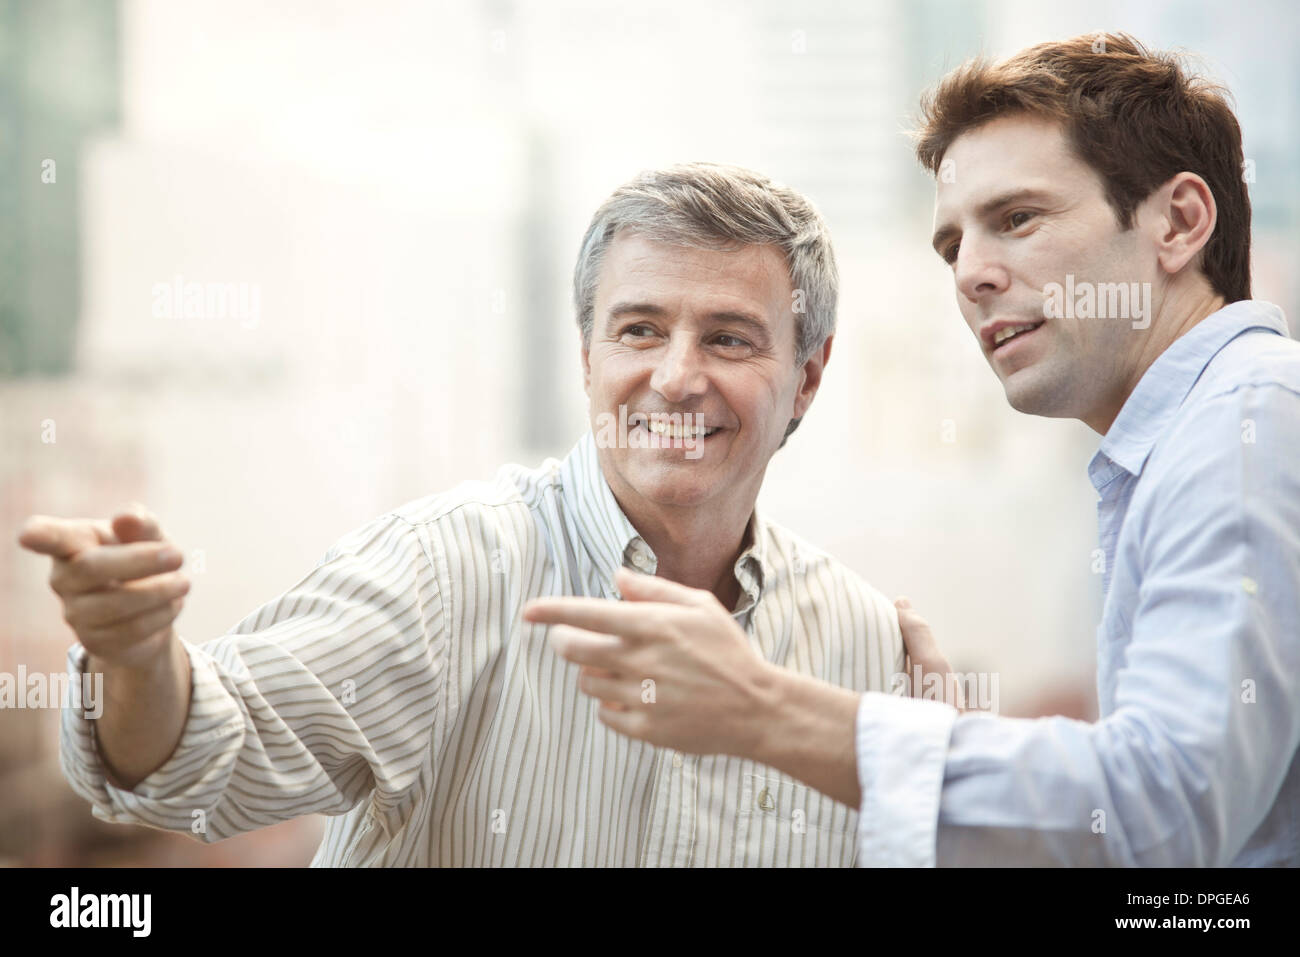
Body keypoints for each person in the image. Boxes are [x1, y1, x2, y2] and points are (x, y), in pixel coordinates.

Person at [524, 34, 1300, 866]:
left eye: (1017, 219)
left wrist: (764, 709)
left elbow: (1169, 809)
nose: (970, 274)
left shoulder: (1244, 420)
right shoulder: (1190, 441)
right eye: (952, 245)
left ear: (1179, 222)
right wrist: (959, 750)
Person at [19, 162, 903, 866]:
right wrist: (135, 659)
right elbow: (199, 760)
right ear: (586, 358)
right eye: (638, 329)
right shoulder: (442, 571)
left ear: (808, 379)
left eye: (728, 337)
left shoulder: (864, 644)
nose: (675, 375)